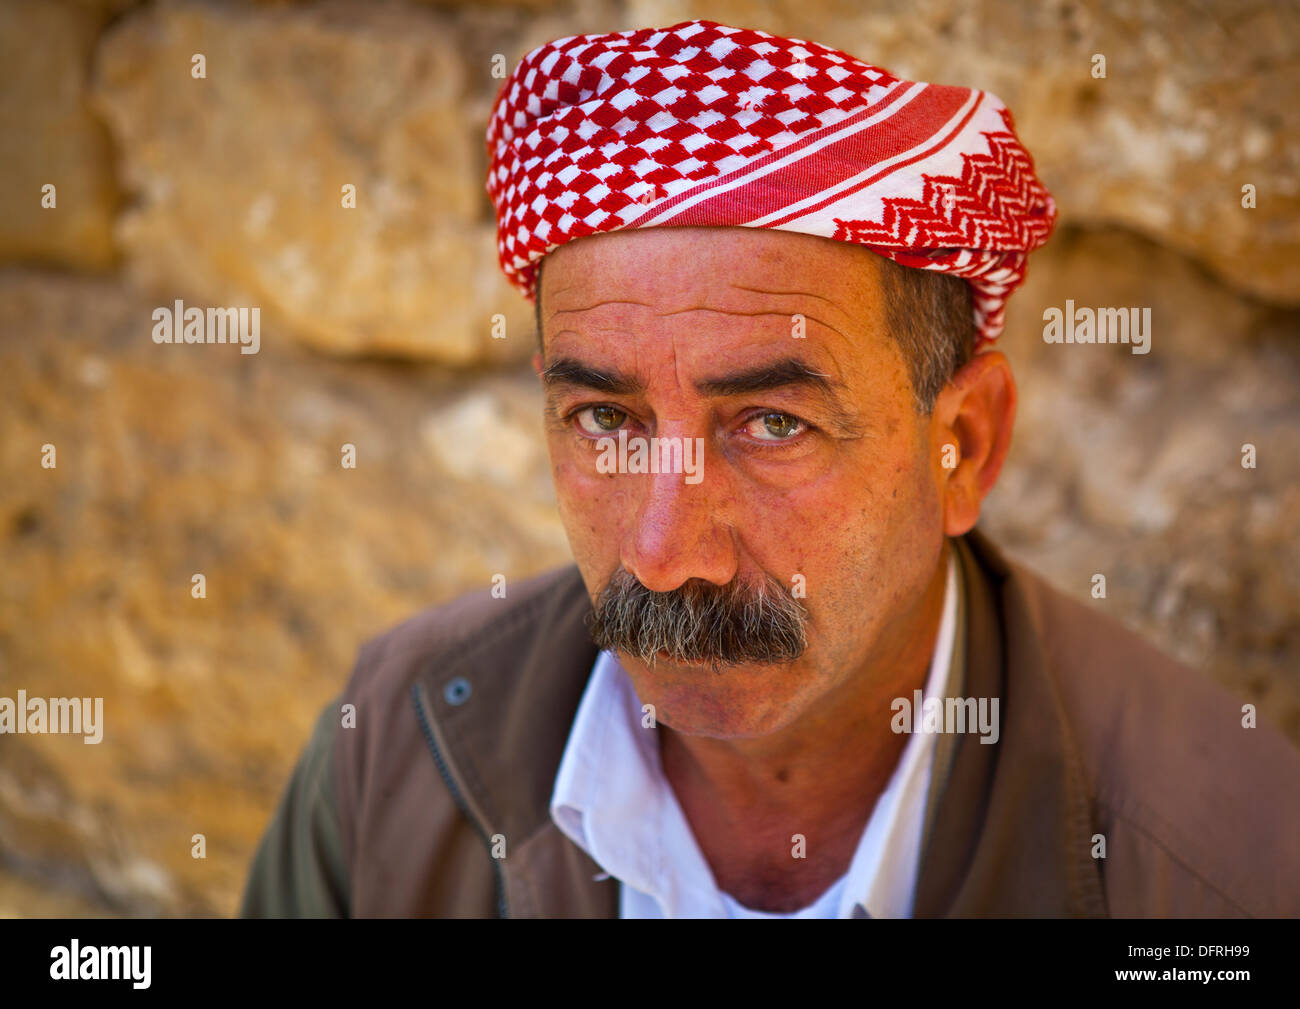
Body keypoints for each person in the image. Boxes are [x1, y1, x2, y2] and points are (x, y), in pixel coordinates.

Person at [240, 19, 1300, 918]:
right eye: (605, 419)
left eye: (771, 425)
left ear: (962, 444)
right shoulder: (395, 747)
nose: (661, 557)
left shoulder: (1217, 866)